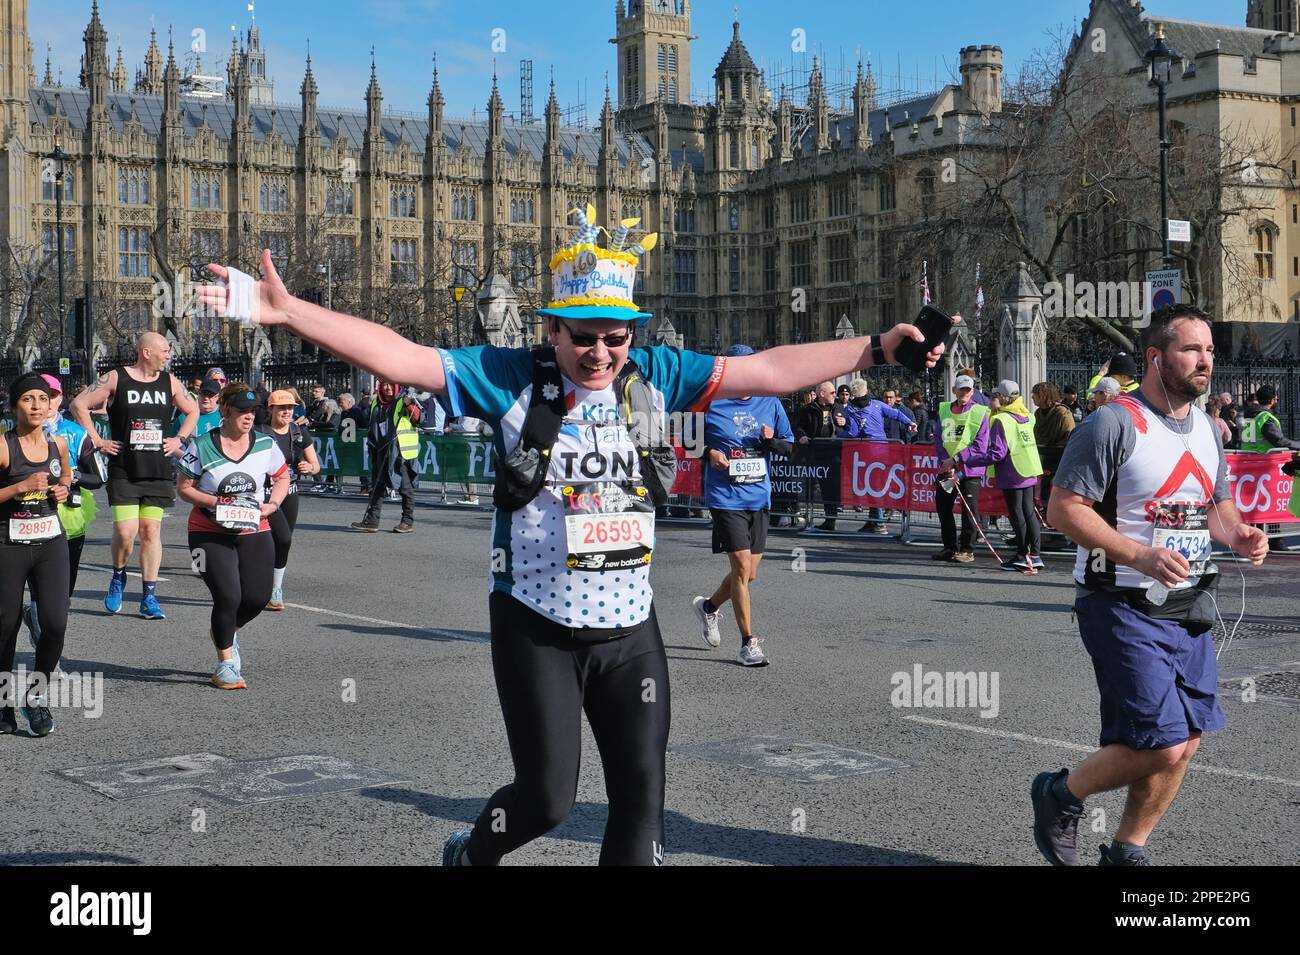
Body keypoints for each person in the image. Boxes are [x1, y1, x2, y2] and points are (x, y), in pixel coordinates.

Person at [198, 237, 949, 867]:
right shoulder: (509, 377)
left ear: (632, 336)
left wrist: (879, 347)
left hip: (630, 632)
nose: (598, 351)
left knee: (642, 808)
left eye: (614, 337)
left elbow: (769, 371)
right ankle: (473, 853)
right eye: (581, 334)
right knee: (548, 799)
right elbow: (403, 357)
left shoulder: (653, 375)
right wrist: (292, 310)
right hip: (536, 623)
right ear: (553, 329)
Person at [1034, 305, 1269, 867]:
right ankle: (1059, 795)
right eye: (1191, 349)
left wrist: (1238, 534)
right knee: (1160, 741)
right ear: (1155, 357)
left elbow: (1214, 505)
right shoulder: (1114, 422)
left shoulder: (1210, 427)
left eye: (1210, 350)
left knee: (1186, 740)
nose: (1205, 361)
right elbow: (1064, 511)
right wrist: (1139, 553)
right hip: (1120, 601)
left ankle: (1127, 851)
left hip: (1188, 604)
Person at [70, 332, 199, 620]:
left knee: (151, 531)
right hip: (125, 469)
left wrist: (179, 438)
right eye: (164, 350)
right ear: (146, 352)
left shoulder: (170, 382)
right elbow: (79, 405)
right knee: (127, 532)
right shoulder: (116, 378)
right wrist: (97, 441)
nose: (168, 355)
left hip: (157, 470)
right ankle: (118, 577)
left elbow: (193, 410)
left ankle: (149, 596)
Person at [177, 383, 290, 689]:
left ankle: (226, 630)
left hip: (254, 526)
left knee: (257, 597)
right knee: (228, 596)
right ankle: (226, 663)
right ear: (225, 411)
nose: (249, 417)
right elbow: (184, 487)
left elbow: (282, 477)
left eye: (253, 411)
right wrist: (217, 503)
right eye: (242, 411)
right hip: (209, 531)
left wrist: (273, 504)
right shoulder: (202, 444)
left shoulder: (265, 444)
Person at [691, 344, 795, 667]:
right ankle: (748, 643)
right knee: (739, 565)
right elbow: (687, 437)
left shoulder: (770, 402)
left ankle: (709, 607)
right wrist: (709, 453)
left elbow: (789, 446)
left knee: (750, 574)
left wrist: (769, 441)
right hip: (725, 497)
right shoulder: (710, 401)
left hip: (758, 496)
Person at [0, 374, 72, 736]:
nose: (36, 406)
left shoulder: (58, 444)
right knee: (5, 626)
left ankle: (35, 697)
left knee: (56, 623)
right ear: (15, 406)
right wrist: (20, 486)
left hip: (49, 543)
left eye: (42, 399)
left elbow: (67, 480)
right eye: (28, 399)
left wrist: (62, 491)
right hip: (8, 545)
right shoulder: (3, 446)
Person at [22, 374, 106, 648]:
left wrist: (68, 478)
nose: (45, 403)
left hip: (70, 516)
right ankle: (45, 649)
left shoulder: (76, 433)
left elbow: (99, 479)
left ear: (60, 399)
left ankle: (43, 628)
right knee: (38, 591)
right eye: (36, 396)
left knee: (61, 595)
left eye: (52, 396)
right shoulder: (11, 433)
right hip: (28, 518)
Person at [951, 380, 1043, 572]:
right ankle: (1034, 555)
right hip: (1029, 468)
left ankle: (1021, 555)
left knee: (1017, 515)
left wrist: (968, 460)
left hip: (1012, 471)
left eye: (994, 396)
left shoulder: (1001, 420)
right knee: (1029, 513)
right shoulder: (1027, 415)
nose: (991, 400)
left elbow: (997, 453)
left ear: (1002, 398)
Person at [262, 390, 320, 611]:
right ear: (271, 410)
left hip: (291, 491)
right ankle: (267, 586)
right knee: (280, 539)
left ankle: (274, 589)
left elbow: (316, 465)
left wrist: (309, 467)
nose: (287, 412)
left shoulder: (299, 432)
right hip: (266, 494)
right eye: (282, 408)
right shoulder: (260, 432)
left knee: (283, 543)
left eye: (290, 408)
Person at [839, 378, 916, 532]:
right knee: (877, 485)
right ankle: (874, 520)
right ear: (866, 391)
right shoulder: (877, 404)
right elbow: (895, 414)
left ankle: (879, 522)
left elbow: (853, 432)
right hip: (882, 448)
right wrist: (910, 422)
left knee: (870, 485)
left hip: (865, 450)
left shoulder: (851, 410)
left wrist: (839, 433)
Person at [351, 380, 420, 532]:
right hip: (380, 449)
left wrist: (409, 404)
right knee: (377, 486)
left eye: (390, 384)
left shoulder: (404, 400)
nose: (387, 387)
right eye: (384, 384)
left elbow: (419, 420)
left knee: (405, 487)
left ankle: (407, 521)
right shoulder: (376, 401)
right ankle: (371, 522)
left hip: (400, 451)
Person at [934, 375, 989, 563]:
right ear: (954, 390)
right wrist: (945, 462)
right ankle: (949, 547)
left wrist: (956, 463)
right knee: (944, 508)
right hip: (947, 470)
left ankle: (967, 549)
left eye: (968, 390)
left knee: (969, 511)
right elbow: (938, 438)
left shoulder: (980, 412)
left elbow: (980, 445)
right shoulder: (944, 409)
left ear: (972, 392)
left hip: (969, 471)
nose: (964, 393)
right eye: (961, 389)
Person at [794, 381, 842, 531]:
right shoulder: (808, 409)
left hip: (834, 453)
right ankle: (813, 518)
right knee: (814, 485)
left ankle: (831, 518)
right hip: (815, 452)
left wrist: (844, 423)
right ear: (822, 394)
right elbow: (798, 426)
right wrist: (802, 436)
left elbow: (848, 426)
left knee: (833, 487)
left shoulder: (838, 407)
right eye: (832, 393)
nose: (835, 395)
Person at [1031, 381, 1075, 509]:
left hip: (1057, 457)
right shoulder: (1038, 413)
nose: (1032, 397)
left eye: (1035, 394)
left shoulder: (1062, 412)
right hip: (1041, 457)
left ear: (1044, 396)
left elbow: (1069, 435)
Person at [1240, 385, 1300, 455]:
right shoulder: (1265, 418)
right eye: (1276, 399)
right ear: (1272, 400)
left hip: (1246, 457)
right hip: (1264, 458)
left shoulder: (1249, 416)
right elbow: (1279, 441)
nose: (1277, 400)